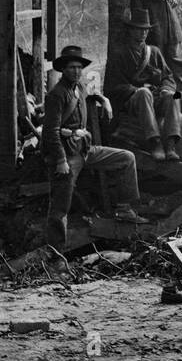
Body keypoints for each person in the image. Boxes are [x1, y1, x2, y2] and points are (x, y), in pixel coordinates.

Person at [41, 45, 147, 250]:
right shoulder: (57, 95)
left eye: (79, 67)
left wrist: (103, 99)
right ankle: (56, 253)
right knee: (60, 207)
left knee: (126, 158)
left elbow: (91, 92)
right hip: (67, 155)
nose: (76, 71)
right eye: (71, 67)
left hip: (84, 149)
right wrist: (61, 160)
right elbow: (50, 132)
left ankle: (125, 208)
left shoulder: (78, 87)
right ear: (63, 69)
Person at [104, 13, 182, 161]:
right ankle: (155, 142)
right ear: (130, 30)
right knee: (144, 93)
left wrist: (166, 88)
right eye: (139, 29)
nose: (143, 33)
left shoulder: (154, 52)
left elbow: (168, 76)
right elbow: (113, 86)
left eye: (146, 30)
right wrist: (137, 89)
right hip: (133, 101)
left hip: (156, 98)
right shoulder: (119, 54)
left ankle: (171, 144)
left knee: (174, 95)